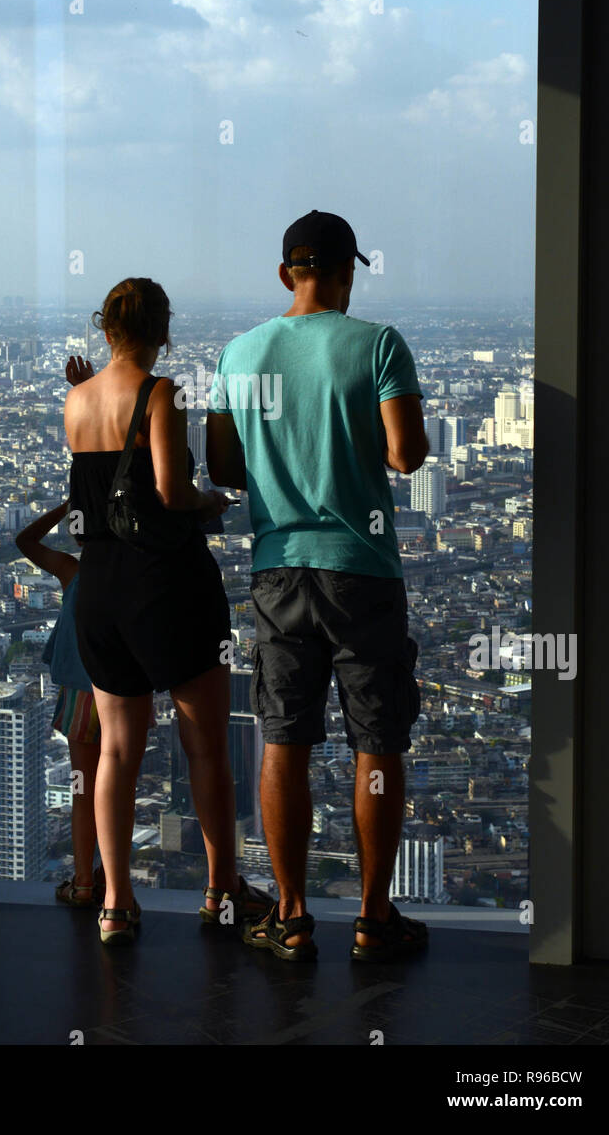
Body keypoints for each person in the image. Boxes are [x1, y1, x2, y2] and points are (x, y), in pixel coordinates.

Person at [207, 210, 429, 963]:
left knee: (282, 740)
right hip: (359, 566)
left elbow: (227, 471)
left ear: (283, 274)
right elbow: (405, 457)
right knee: (377, 742)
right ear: (347, 273)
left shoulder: (238, 355)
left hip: (276, 567)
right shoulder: (375, 344)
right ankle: (371, 917)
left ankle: (293, 915)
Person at [64, 277, 273, 945]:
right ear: (162, 330)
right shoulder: (163, 393)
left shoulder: (75, 400)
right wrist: (211, 502)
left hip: (96, 588)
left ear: (105, 330)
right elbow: (167, 492)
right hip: (167, 585)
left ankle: (116, 904)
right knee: (205, 745)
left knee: (116, 751)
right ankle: (222, 891)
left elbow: (96, 479)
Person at [14, 500, 107, 910]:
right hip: (124, 693)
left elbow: (25, 540)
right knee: (117, 792)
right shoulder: (133, 574)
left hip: (81, 696)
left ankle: (85, 882)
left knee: (84, 791)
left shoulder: (73, 571)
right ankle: (116, 887)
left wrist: (66, 505)